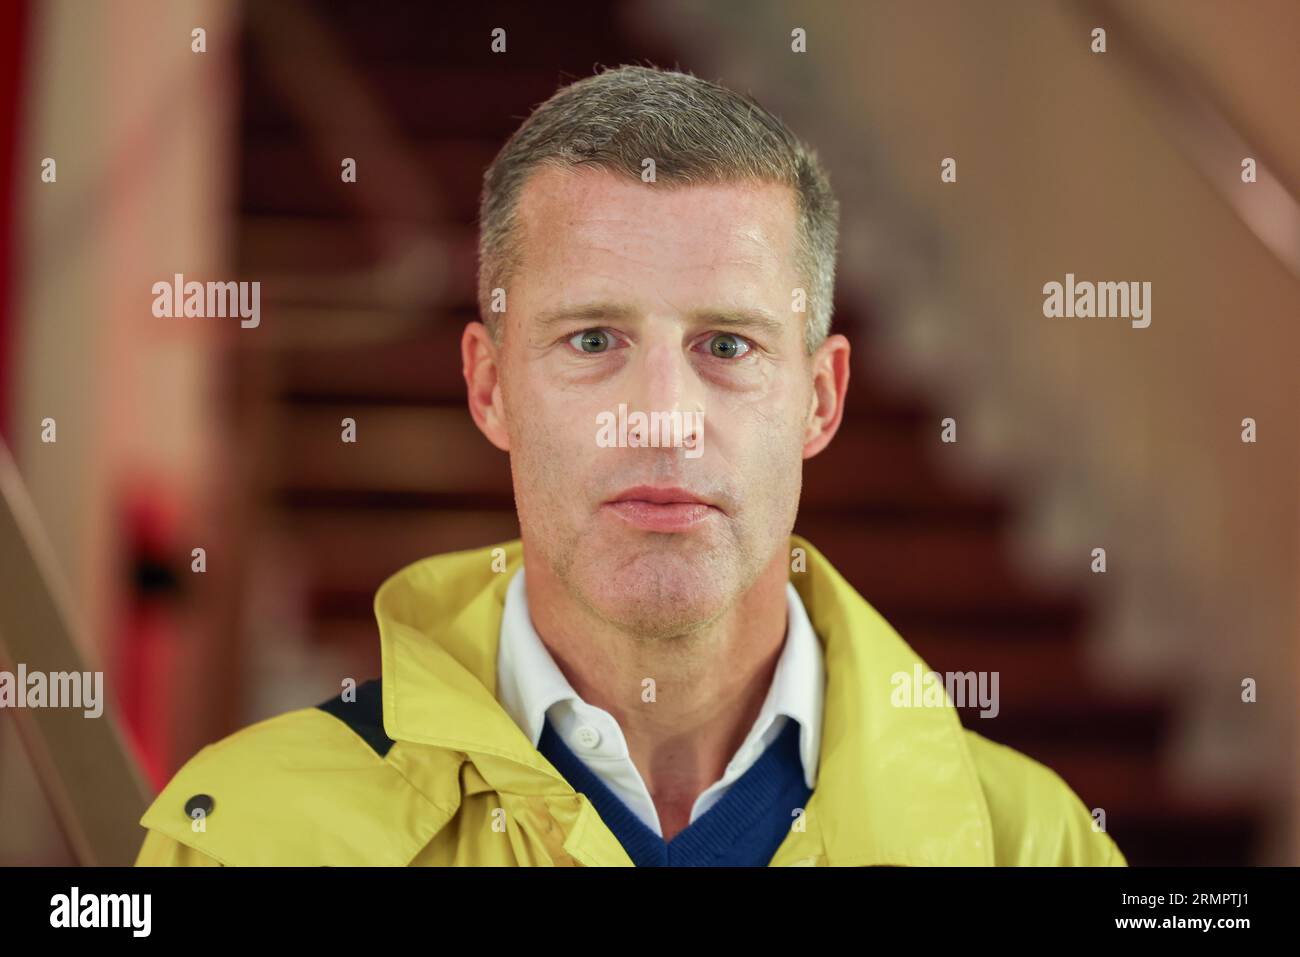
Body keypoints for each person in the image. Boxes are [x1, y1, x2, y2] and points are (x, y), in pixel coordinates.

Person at [135, 64, 1125, 866]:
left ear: (820, 400)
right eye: (594, 339)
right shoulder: (255, 841)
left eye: (728, 346)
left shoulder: (1033, 849)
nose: (660, 421)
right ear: (488, 388)